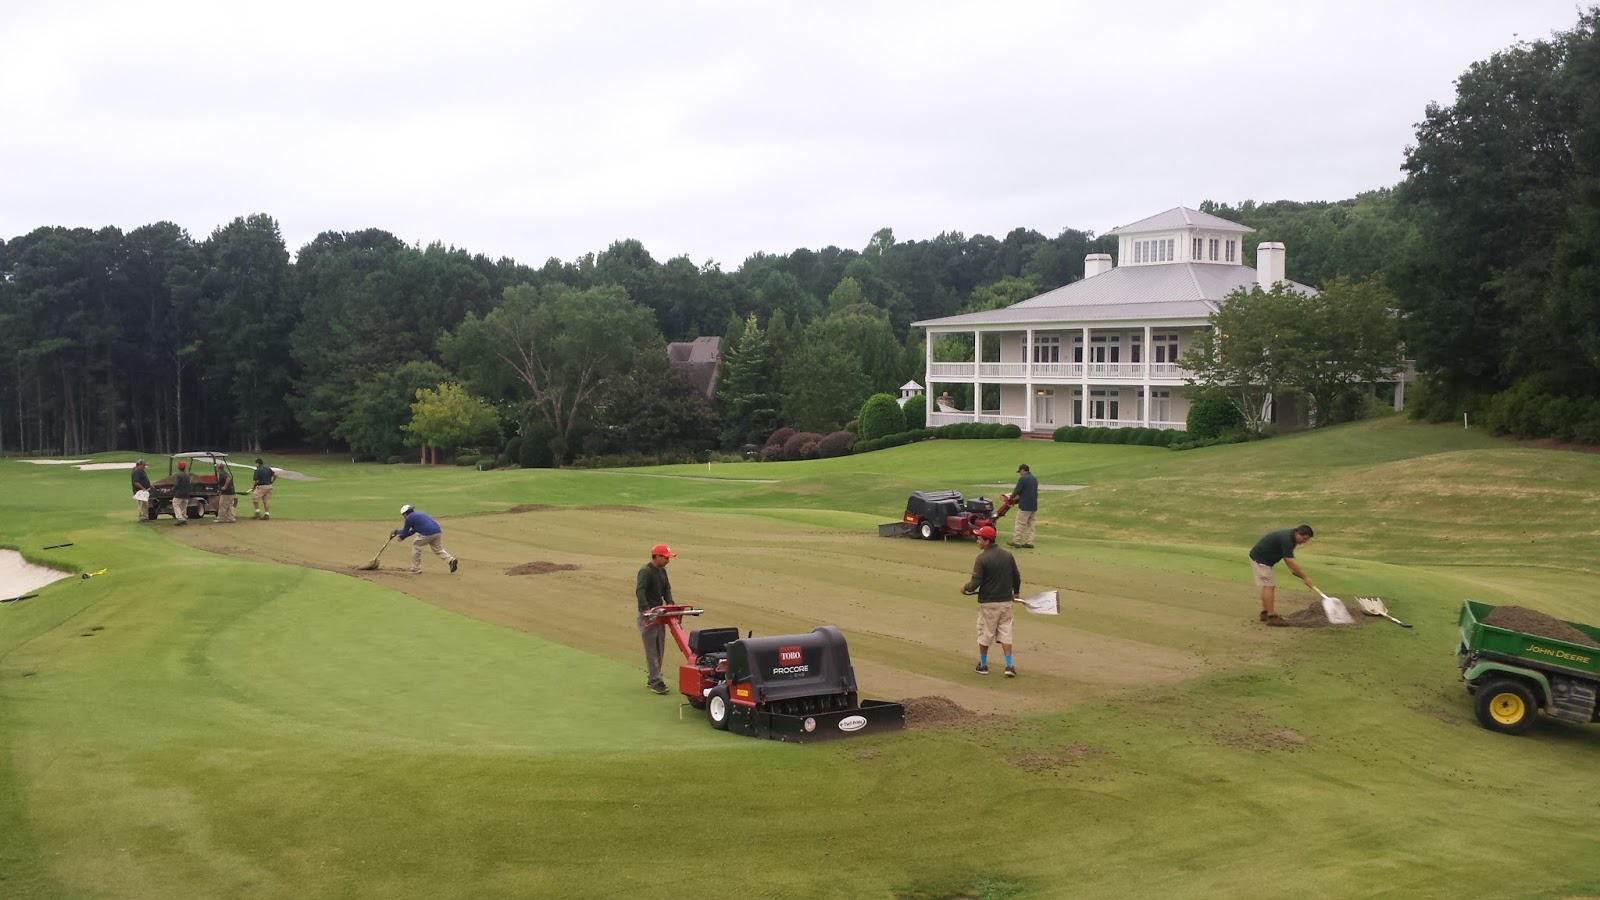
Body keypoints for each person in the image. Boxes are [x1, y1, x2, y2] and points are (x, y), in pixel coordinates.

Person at [961, 525, 1021, 676]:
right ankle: (1009, 666)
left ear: (987, 541)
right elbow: (1016, 576)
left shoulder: (982, 558)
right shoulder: (1007, 554)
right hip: (1006, 602)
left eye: (979, 538)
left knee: (985, 633)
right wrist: (1016, 592)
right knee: (1006, 633)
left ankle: (983, 664)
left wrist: (965, 588)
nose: (977, 540)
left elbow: (976, 582)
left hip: (988, 603)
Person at [1250, 524, 1318, 626]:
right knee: (1269, 586)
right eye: (1304, 539)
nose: (1304, 542)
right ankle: (1271, 617)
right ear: (1298, 533)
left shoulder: (1291, 538)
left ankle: (1265, 613)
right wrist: (1305, 577)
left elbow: (1291, 567)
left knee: (1267, 586)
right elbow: (1290, 562)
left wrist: (1301, 576)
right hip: (1260, 560)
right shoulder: (1287, 540)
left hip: (1263, 559)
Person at [636, 543, 675, 695]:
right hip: (648, 615)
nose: (667, 561)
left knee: (660, 647)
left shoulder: (662, 572)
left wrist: (670, 602)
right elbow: (640, 591)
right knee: (651, 649)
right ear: (657, 556)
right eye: (665, 558)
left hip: (660, 614)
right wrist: (646, 610)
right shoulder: (645, 572)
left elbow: (666, 589)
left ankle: (653, 676)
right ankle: (656, 681)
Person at [392, 504, 458, 574]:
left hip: (427, 533)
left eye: (403, 515)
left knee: (416, 545)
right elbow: (413, 530)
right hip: (438, 531)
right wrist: (403, 537)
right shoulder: (421, 514)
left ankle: (416, 568)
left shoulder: (409, 518)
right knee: (438, 549)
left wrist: (396, 532)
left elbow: (404, 531)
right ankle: (450, 560)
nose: (404, 517)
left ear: (405, 513)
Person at [1007, 463, 1039, 549]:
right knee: (1031, 524)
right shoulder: (1034, 478)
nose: (1020, 473)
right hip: (1033, 505)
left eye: (1020, 472)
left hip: (1025, 505)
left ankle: (1016, 541)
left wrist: (1011, 497)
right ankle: (1030, 542)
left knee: (1020, 522)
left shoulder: (1023, 478)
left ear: (1022, 470)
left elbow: (1017, 490)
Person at [172, 460, 192, 526]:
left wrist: (173, 489)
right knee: (183, 507)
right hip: (186, 494)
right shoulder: (187, 475)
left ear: (178, 467)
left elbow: (176, 484)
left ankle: (180, 519)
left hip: (179, 493)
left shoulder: (177, 475)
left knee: (176, 504)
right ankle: (184, 518)